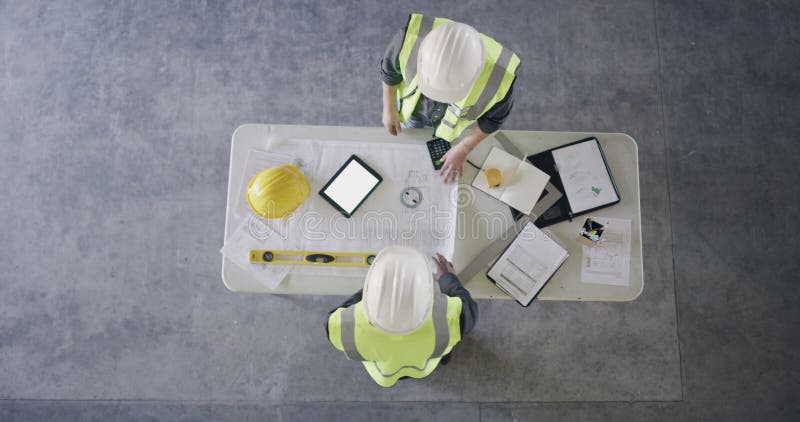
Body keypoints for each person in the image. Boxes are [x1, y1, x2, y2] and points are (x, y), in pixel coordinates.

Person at [380, 13, 520, 183]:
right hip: (414, 110)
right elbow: (390, 72)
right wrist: (389, 109)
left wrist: (464, 148)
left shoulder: (499, 78)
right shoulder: (408, 40)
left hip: (453, 127)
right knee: (410, 136)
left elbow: (493, 120)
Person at [325, 246, 478, 387]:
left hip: (385, 373)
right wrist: (447, 278)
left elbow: (334, 318)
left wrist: (371, 290)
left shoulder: (343, 327)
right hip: (424, 365)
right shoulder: (450, 318)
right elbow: (468, 306)